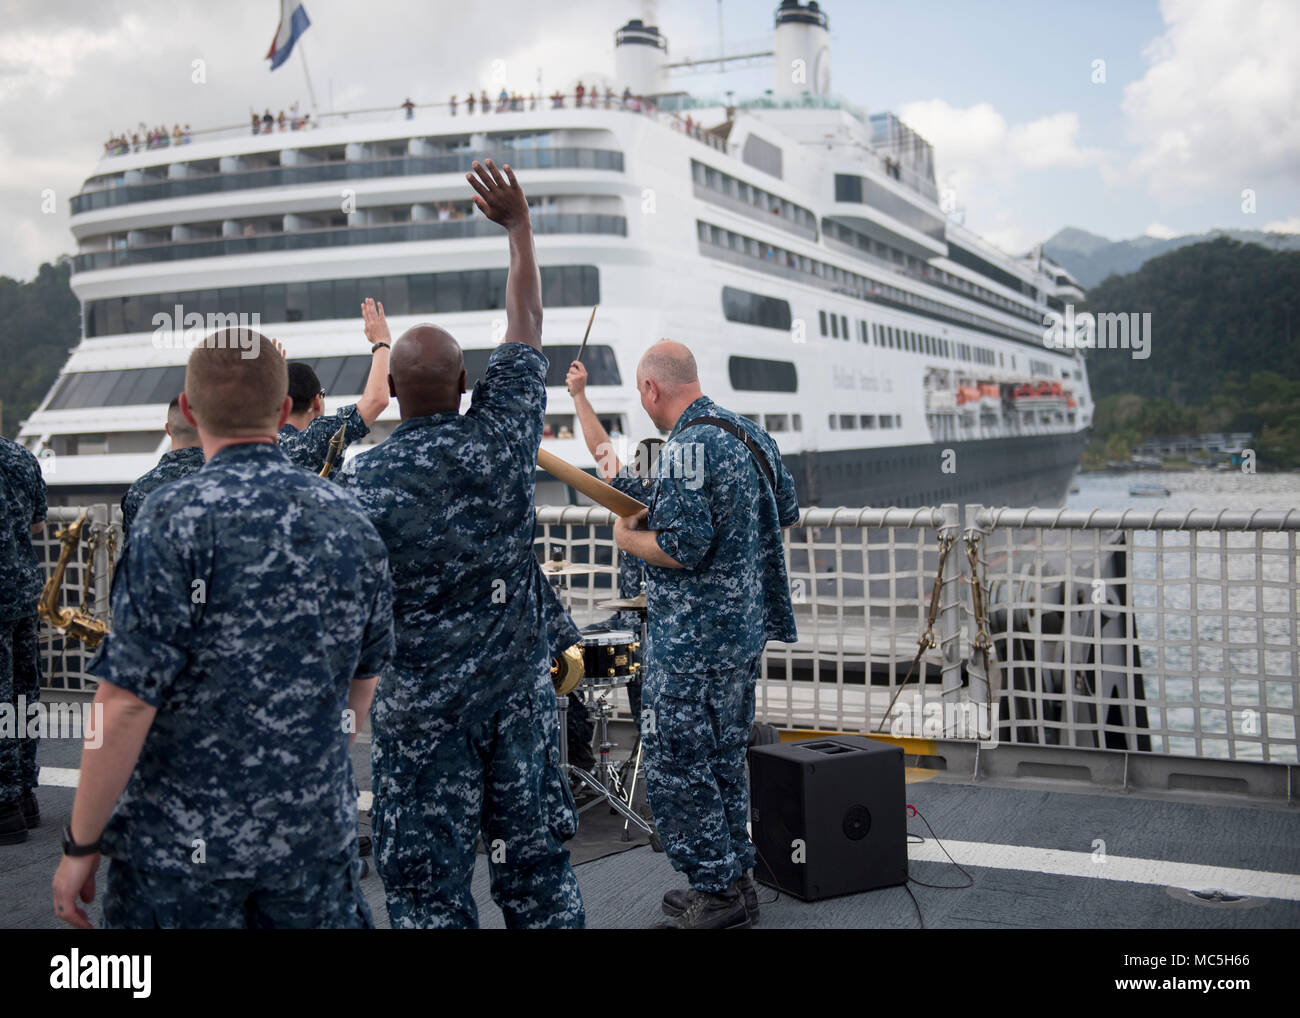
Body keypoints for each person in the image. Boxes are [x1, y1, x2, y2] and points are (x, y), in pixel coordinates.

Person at [51, 330, 395, 929]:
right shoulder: (351, 520)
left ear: (187, 409)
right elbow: (363, 677)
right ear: (285, 410)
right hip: (310, 842)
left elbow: (126, 702)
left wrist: (82, 845)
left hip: (182, 857)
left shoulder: (169, 517)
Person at [336, 158, 584, 929]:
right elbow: (528, 327)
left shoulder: (362, 483)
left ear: (398, 396)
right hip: (518, 704)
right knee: (539, 878)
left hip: (419, 719)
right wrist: (519, 230)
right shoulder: (503, 436)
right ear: (468, 383)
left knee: (426, 894)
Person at [613, 339, 799, 930]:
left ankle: (717, 893)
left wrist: (628, 538)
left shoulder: (688, 446)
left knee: (674, 762)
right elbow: (787, 508)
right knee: (723, 754)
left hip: (692, 641)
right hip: (744, 633)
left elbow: (681, 547)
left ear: (651, 388)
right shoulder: (750, 433)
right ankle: (735, 880)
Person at [278, 299, 392, 472]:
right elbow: (376, 400)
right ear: (316, 401)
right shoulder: (319, 437)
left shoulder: (258, 439)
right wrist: (382, 342)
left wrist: (270, 377)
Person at [0, 435, 47, 845]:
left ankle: (3, 804)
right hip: (21, 590)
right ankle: (24, 795)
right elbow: (37, 522)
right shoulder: (19, 456)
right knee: (22, 696)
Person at [120, 396, 204, 538]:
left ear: (168, 429)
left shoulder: (139, 490)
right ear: (205, 428)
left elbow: (132, 554)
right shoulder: (226, 481)